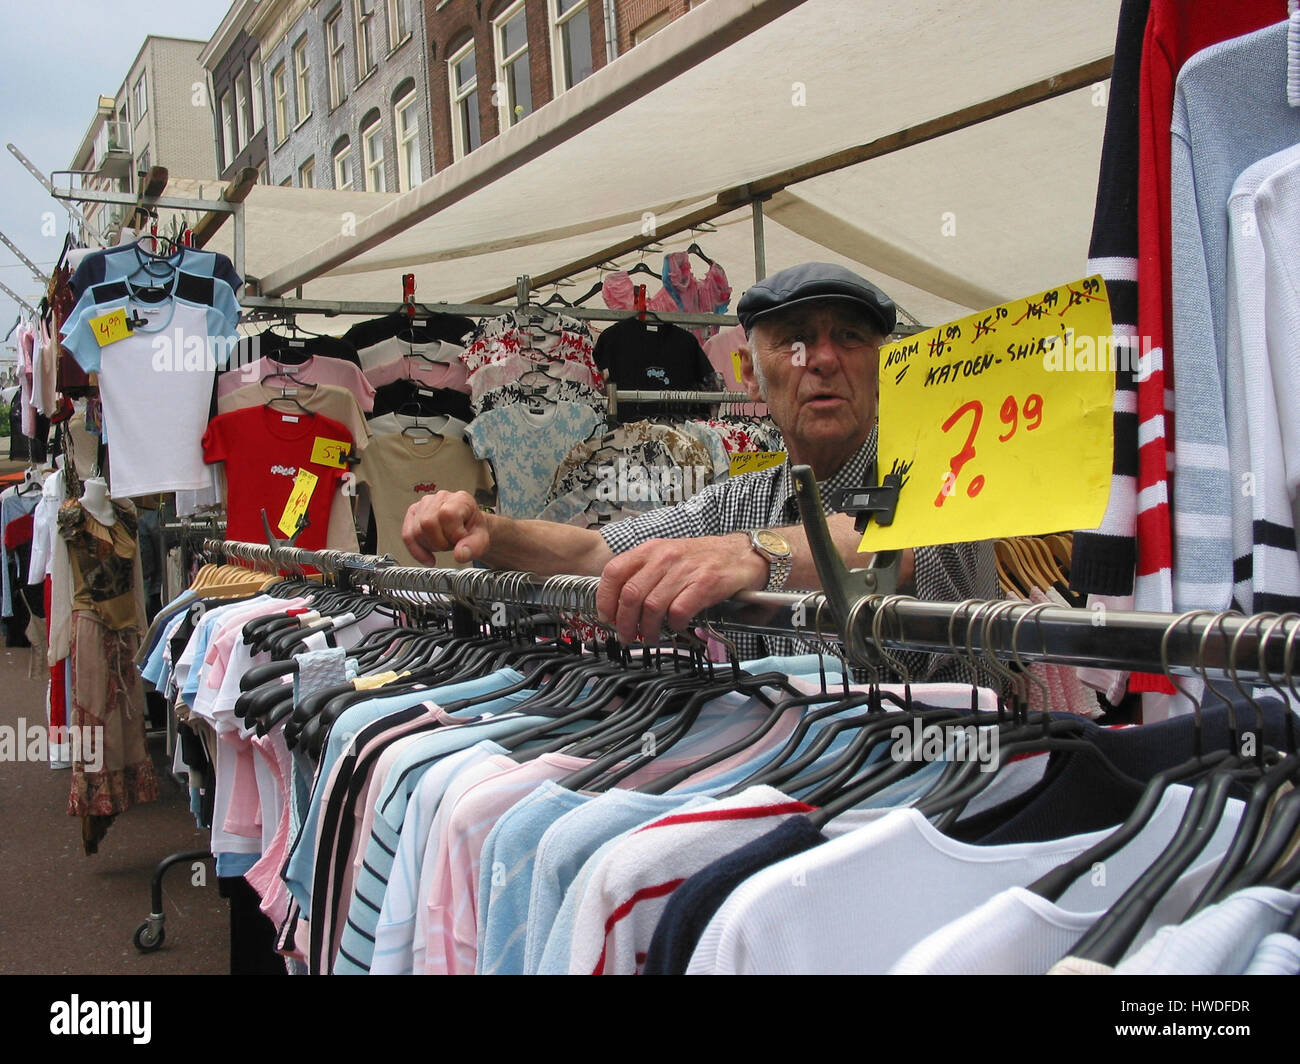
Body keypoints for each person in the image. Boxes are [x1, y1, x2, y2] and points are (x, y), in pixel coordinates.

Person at [403, 262, 997, 677]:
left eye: (850, 337)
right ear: (747, 373)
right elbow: (594, 553)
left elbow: (898, 536)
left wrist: (756, 555)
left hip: (943, 807)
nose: (820, 359)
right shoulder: (734, 502)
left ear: (882, 363)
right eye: (792, 341)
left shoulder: (944, 478)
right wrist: (491, 529)